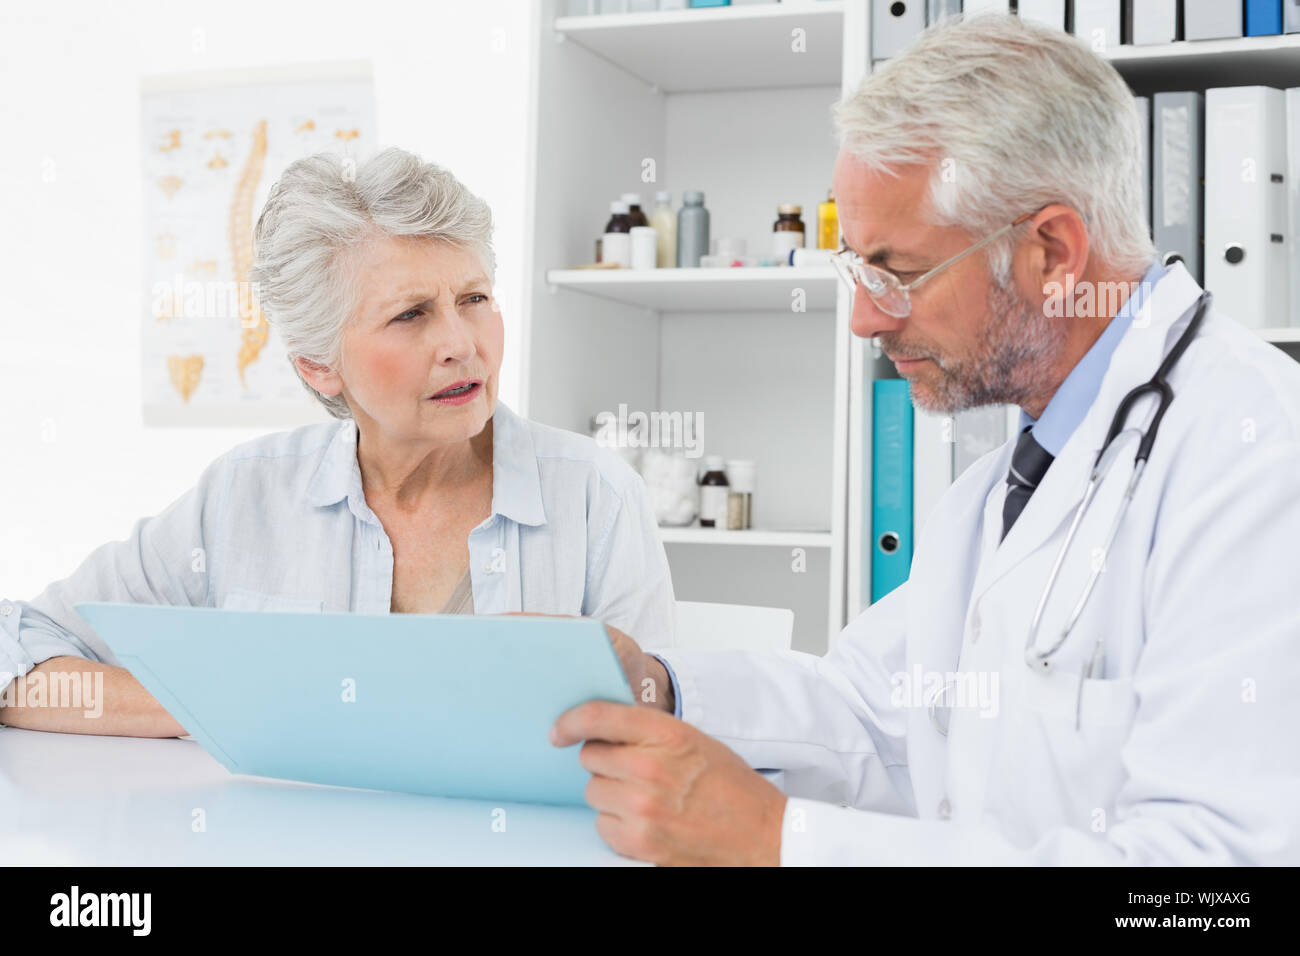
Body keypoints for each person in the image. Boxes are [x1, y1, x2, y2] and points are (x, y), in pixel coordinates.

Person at [550, 13, 1300, 865]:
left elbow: (1213, 885)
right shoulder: (1013, 469)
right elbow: (873, 711)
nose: (866, 318)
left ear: (1052, 254)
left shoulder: (1254, 454)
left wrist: (780, 842)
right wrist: (657, 683)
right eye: (857, 271)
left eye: (897, 272)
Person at [0, 148, 675, 736]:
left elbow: (665, 730)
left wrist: (641, 689)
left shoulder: (595, 495)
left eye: (474, 298)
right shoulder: (246, 494)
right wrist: (216, 708)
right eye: (411, 314)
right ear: (318, 364)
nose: (462, 345)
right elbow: (20, 650)